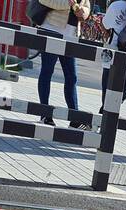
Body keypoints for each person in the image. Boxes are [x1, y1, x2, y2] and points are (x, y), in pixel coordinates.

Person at [37, 0, 92, 129]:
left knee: (72, 77)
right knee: (47, 71)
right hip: (51, 29)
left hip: (71, 35)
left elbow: (87, 6)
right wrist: (68, 3)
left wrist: (82, 12)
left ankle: (75, 119)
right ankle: (45, 115)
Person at [101, 0, 126, 100]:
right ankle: (116, 103)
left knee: (107, 92)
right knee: (119, 96)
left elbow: (105, 25)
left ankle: (105, 109)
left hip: (114, 51)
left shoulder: (116, 5)